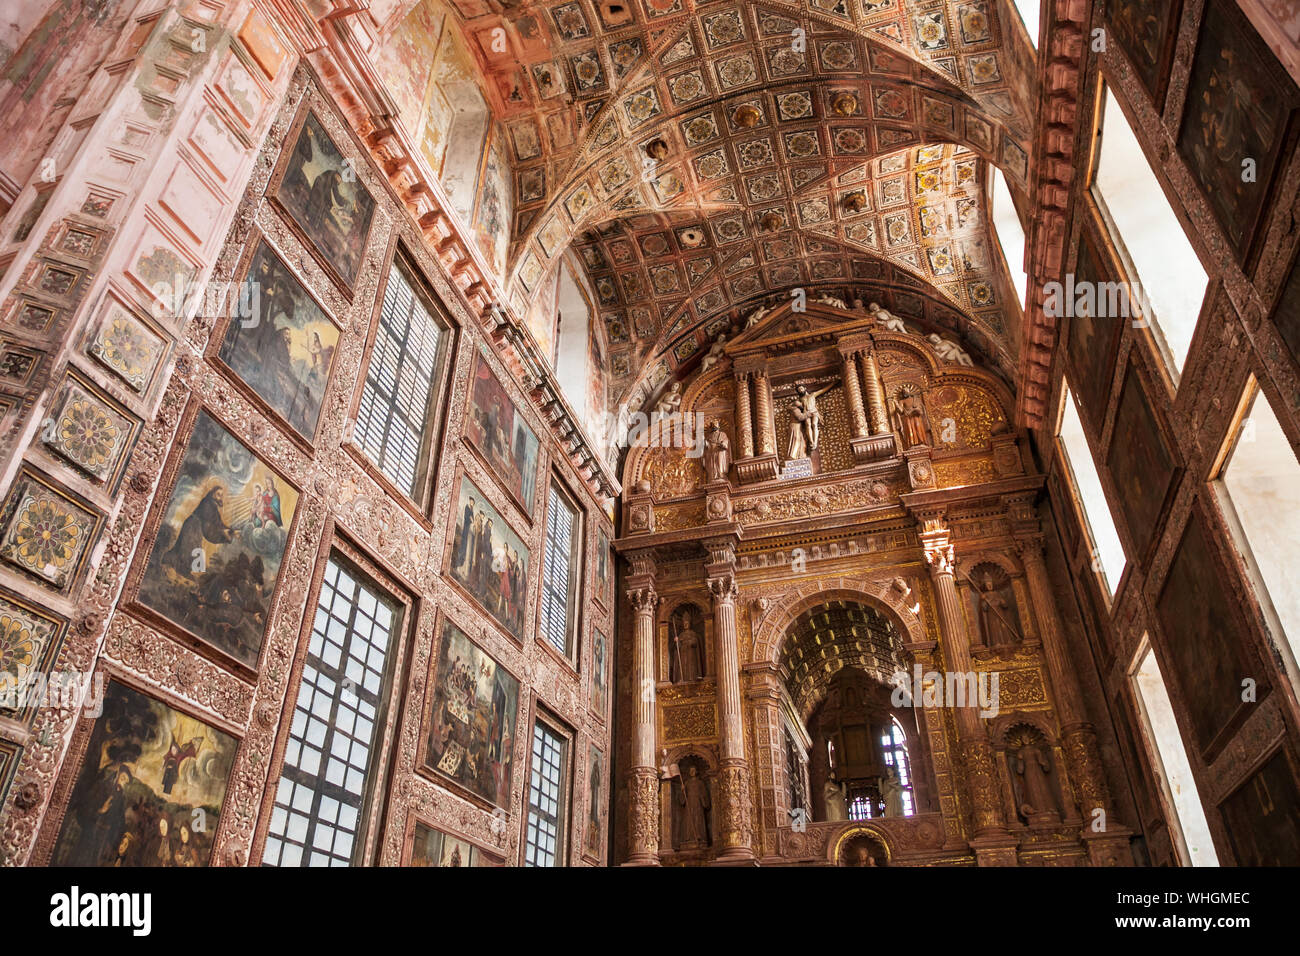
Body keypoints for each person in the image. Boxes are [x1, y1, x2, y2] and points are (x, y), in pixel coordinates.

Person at [787, 383, 832, 459]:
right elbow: (789, 407)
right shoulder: (800, 400)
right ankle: (811, 442)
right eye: (799, 390)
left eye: (801, 388)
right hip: (806, 413)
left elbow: (823, 390)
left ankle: (815, 441)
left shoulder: (812, 395)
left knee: (814, 425)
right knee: (808, 425)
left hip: (814, 412)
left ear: (805, 388)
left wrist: (832, 384)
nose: (800, 390)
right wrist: (793, 406)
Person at [679, 765, 711, 848]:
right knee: (689, 820)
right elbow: (682, 799)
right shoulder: (686, 783)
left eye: (693, 770)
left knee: (698, 819)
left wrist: (703, 800)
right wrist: (683, 791)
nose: (692, 772)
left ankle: (699, 837)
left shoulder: (700, 783)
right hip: (689, 803)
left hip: (697, 803)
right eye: (691, 771)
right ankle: (688, 838)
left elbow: (704, 795)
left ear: (696, 772)